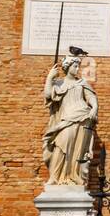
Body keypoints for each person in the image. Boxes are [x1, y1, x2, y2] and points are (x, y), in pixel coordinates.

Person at [42, 54, 98, 186]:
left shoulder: (82, 83)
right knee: (61, 145)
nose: (77, 68)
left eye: (78, 65)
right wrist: (50, 77)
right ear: (67, 67)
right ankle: (55, 177)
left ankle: (74, 175)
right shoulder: (59, 83)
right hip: (66, 118)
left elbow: (91, 97)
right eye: (75, 65)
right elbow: (48, 95)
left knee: (78, 149)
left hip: (82, 117)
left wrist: (94, 107)